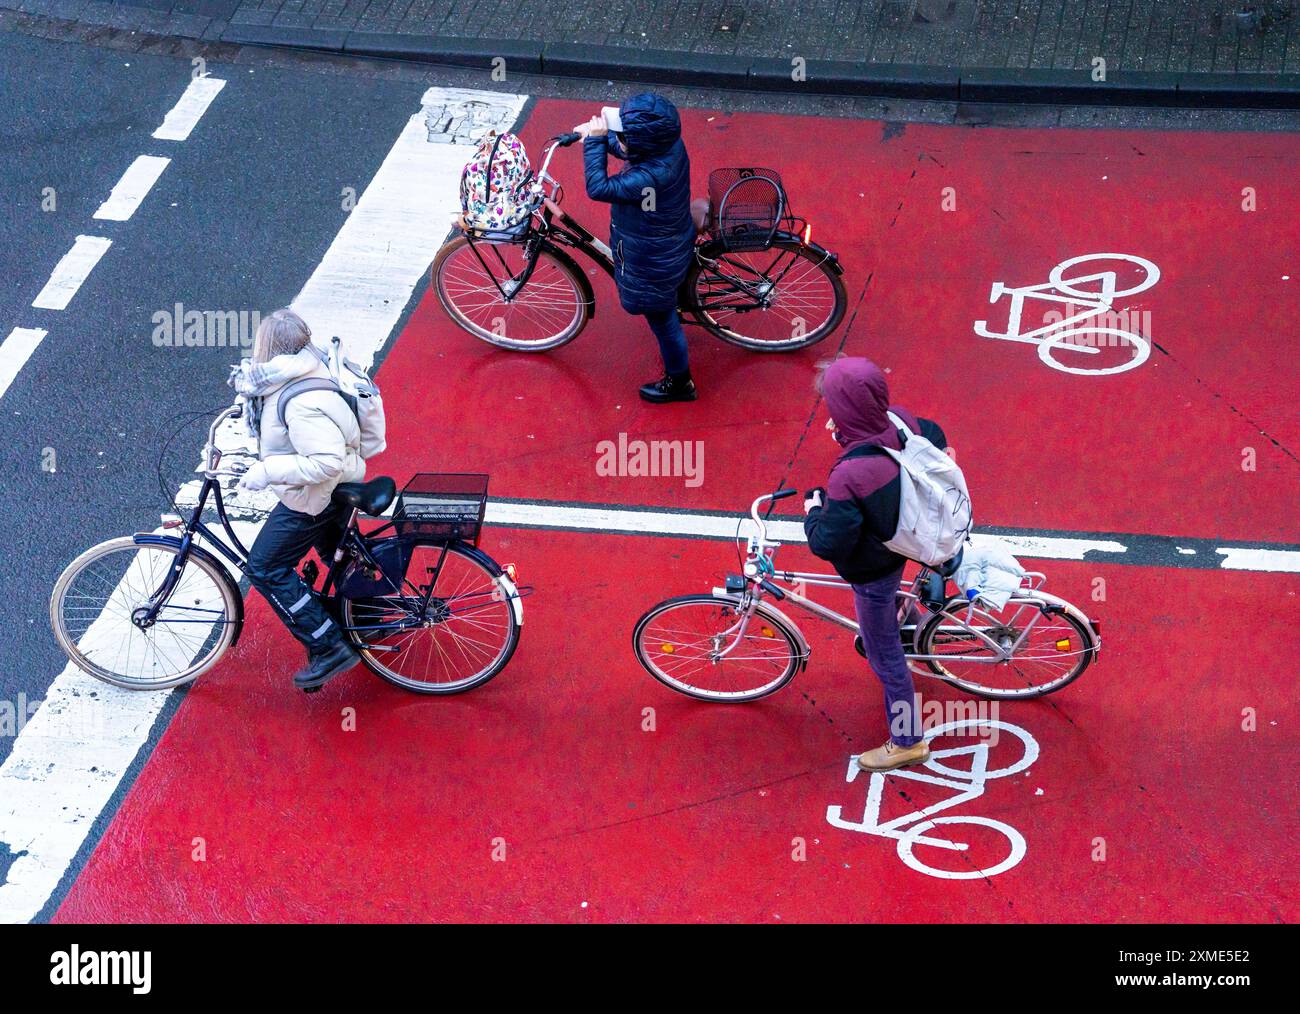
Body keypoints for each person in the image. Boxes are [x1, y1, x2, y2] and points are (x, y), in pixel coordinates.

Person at [803, 356, 950, 772]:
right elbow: (933, 438)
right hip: (913, 537)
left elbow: (829, 541)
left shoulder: (849, 475)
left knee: (885, 658)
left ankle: (907, 741)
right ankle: (914, 626)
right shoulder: (902, 421)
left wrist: (813, 509)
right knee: (892, 611)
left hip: (875, 569)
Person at [228, 308, 382, 691]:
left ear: (267, 348)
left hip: (316, 495)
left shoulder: (300, 402)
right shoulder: (307, 367)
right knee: (338, 558)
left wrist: (267, 471)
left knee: (265, 569)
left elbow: (323, 462)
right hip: (341, 481)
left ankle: (328, 646)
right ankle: (369, 617)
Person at [576, 93, 697, 403]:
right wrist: (600, 139)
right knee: (666, 306)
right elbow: (631, 149)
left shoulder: (651, 176)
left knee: (662, 321)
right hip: (671, 235)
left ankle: (680, 382)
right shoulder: (667, 147)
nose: (622, 139)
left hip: (652, 254)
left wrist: (595, 144)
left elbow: (599, 188)